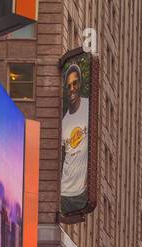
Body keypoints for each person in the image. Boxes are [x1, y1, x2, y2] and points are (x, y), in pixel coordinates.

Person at [59, 60, 91, 215]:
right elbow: (61, 157)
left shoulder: (89, 108)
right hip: (64, 192)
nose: (72, 88)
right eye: (69, 85)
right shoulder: (64, 122)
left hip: (82, 192)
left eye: (75, 83)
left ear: (80, 85)